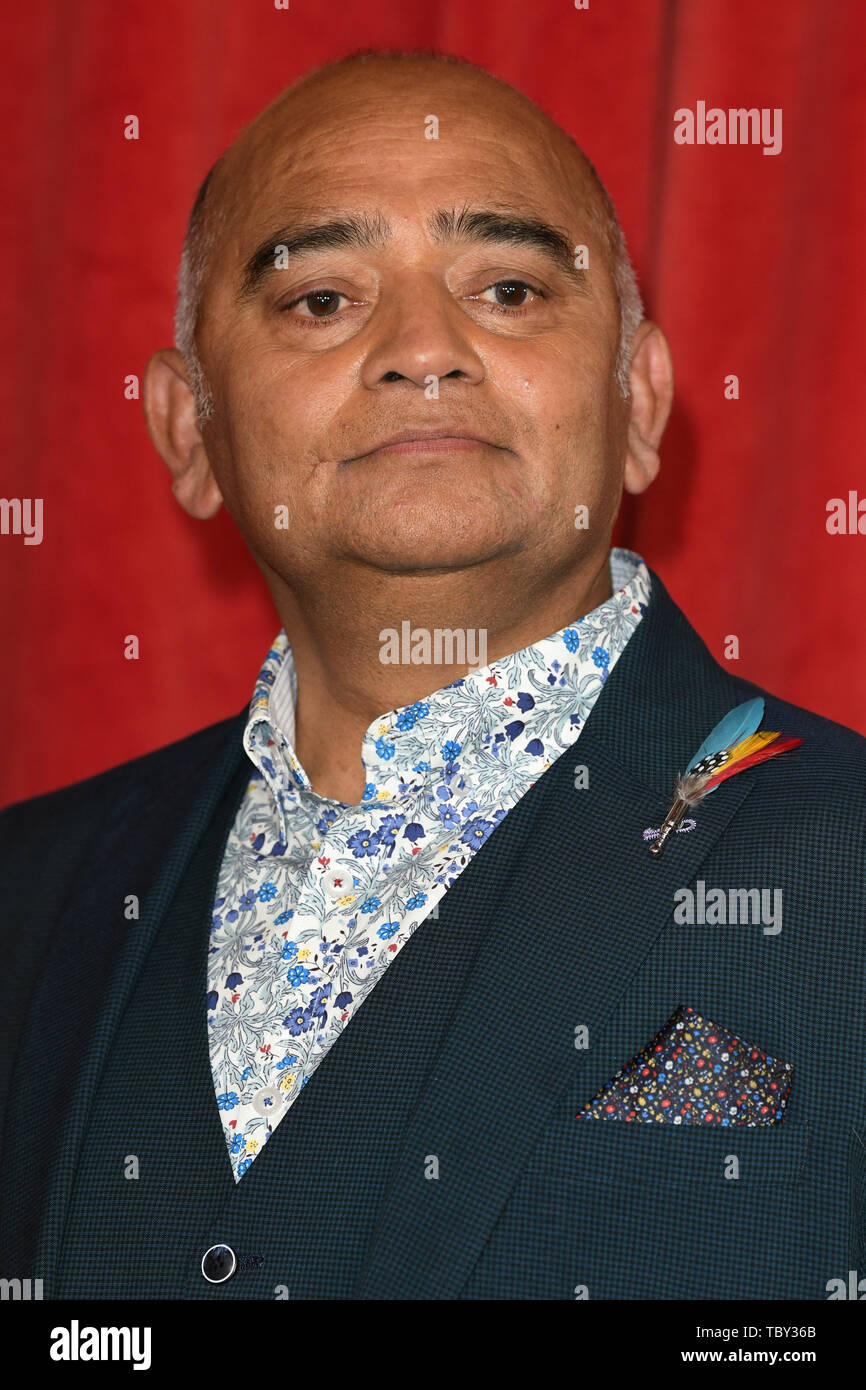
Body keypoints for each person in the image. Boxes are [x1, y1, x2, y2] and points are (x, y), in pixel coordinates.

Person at [1, 49, 864, 1302]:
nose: (422, 349)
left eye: (508, 288)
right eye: (320, 301)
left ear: (637, 400)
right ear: (188, 428)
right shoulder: (29, 898)